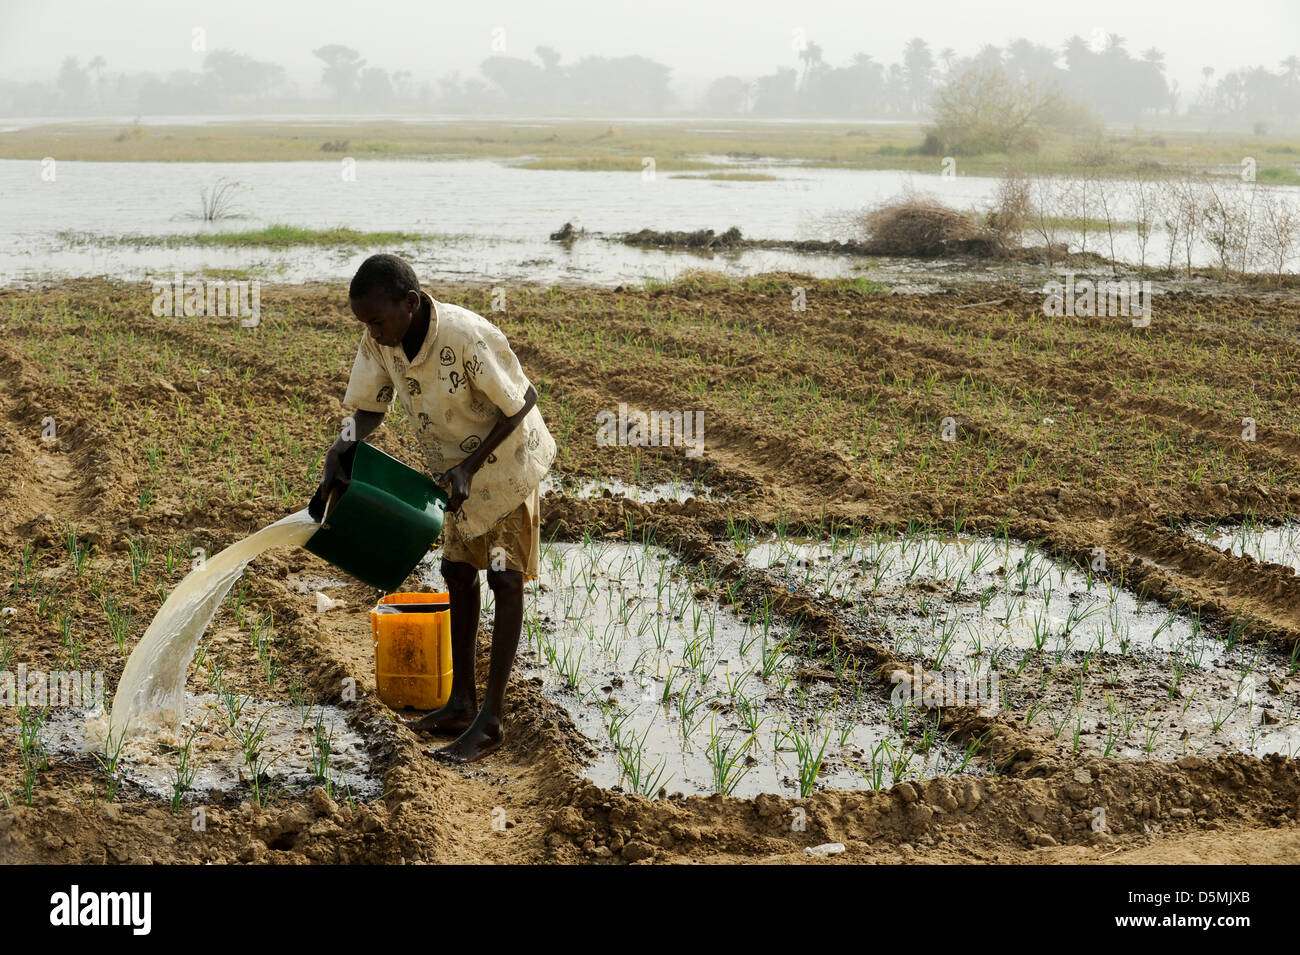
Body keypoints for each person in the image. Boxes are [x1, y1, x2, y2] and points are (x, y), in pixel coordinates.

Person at [316, 253, 555, 763]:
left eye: (377, 320)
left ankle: (490, 723)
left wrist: (469, 467)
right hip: (456, 473)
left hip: (508, 466)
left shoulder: (465, 337)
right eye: (364, 323)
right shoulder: (380, 339)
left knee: (504, 579)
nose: (372, 333)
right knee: (457, 571)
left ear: (410, 302)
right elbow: (367, 408)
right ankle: (461, 705)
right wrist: (341, 448)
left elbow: (523, 401)